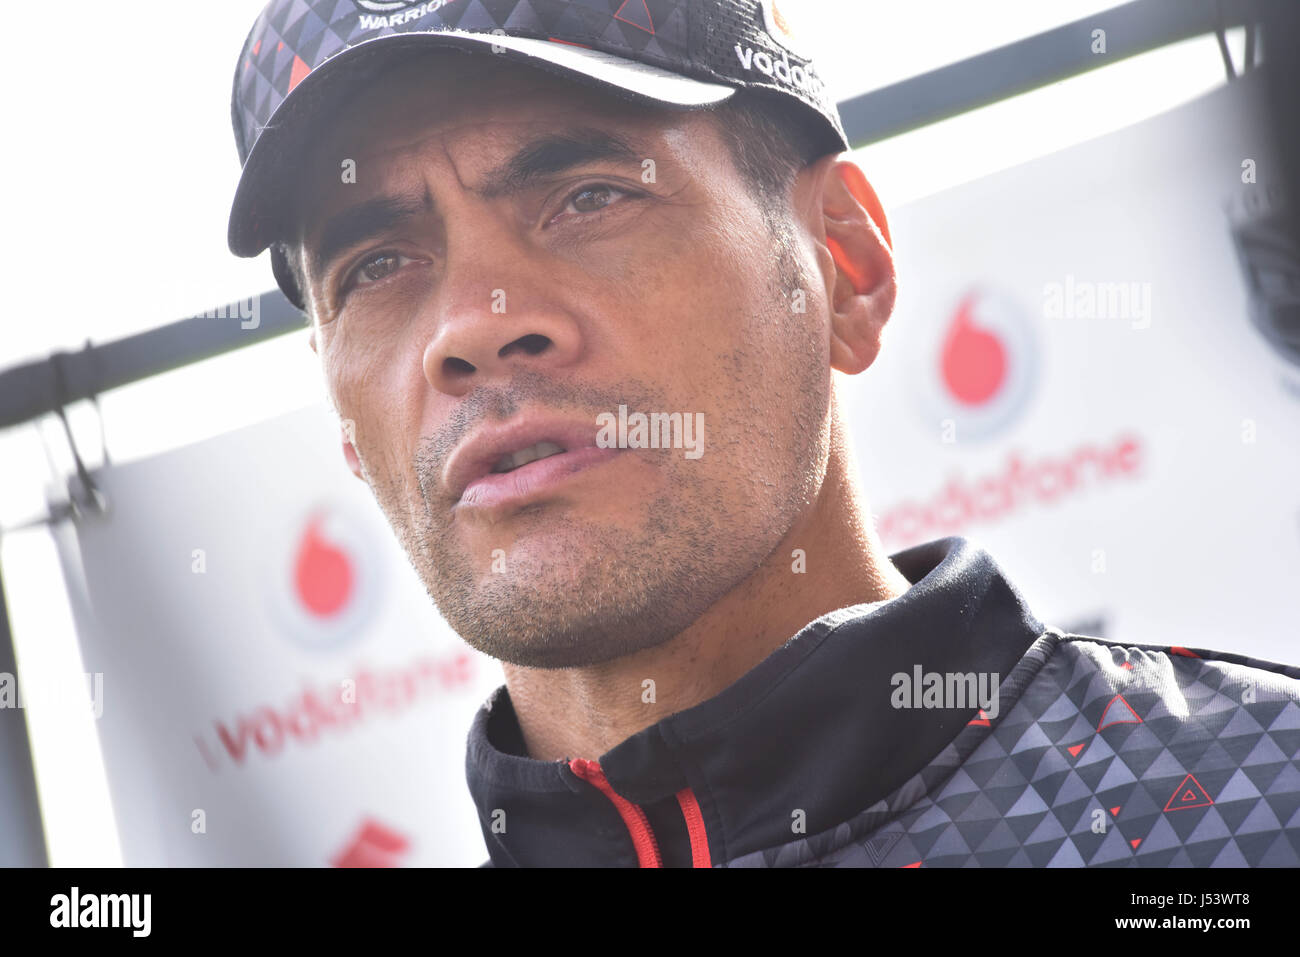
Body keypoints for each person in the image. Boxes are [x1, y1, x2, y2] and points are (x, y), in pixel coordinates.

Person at [227, 0, 1300, 867]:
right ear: (344, 426)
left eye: (590, 196)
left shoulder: (1261, 807)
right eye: (374, 267)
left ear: (843, 265)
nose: (474, 327)